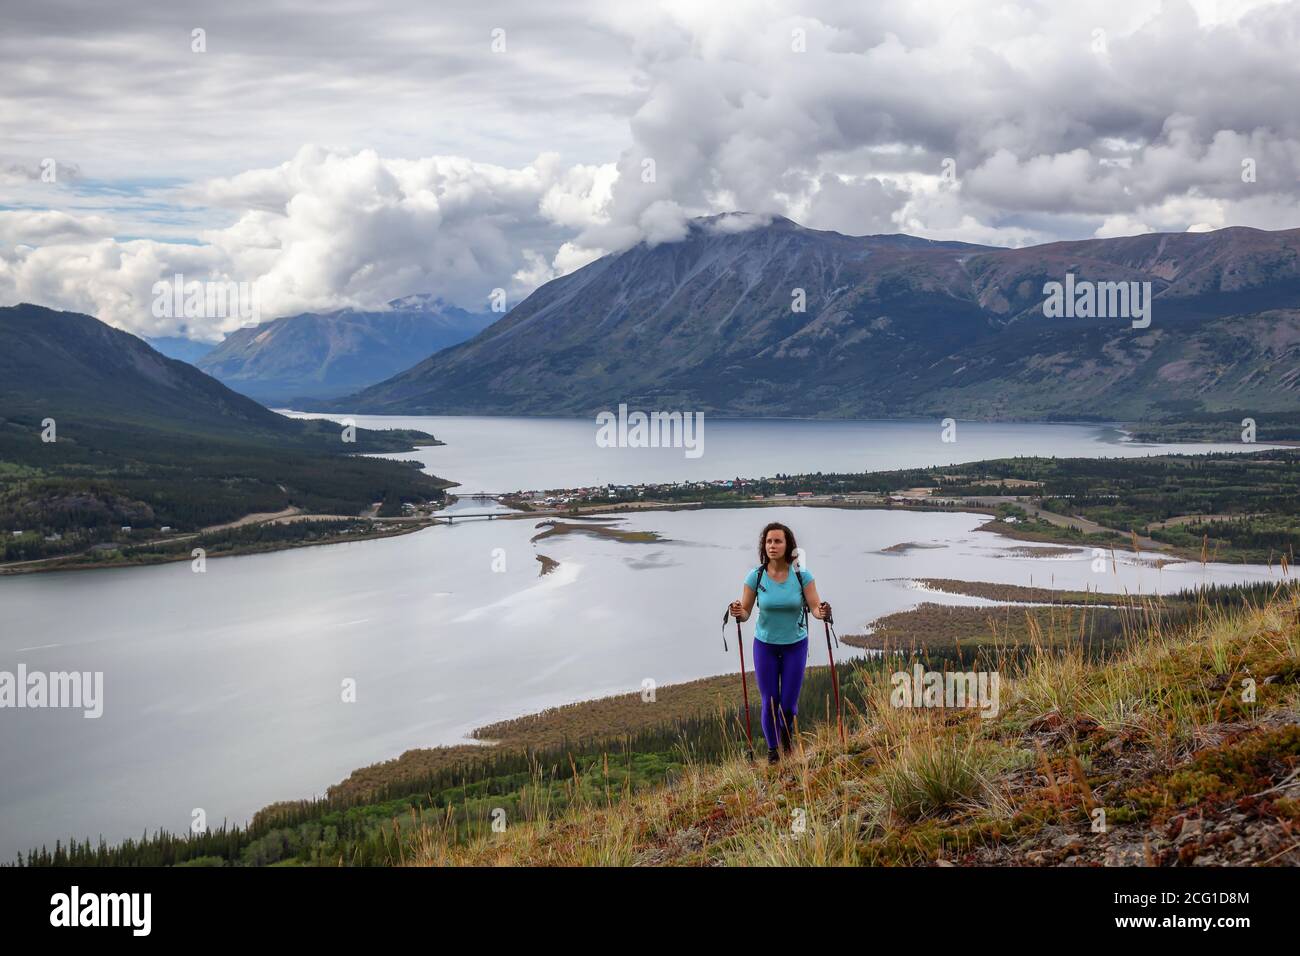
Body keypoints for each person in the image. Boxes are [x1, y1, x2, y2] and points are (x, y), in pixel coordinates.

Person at [729, 521, 831, 764]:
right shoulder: (756, 576)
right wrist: (737, 611)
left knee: (787, 704)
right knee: (770, 700)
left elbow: (815, 608)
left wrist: (822, 611)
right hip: (765, 645)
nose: (773, 546)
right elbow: (745, 613)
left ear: (788, 545)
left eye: (778, 541)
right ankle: (774, 753)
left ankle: (786, 743)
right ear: (763, 546)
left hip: (796, 644)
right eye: (769, 541)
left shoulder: (802, 576)